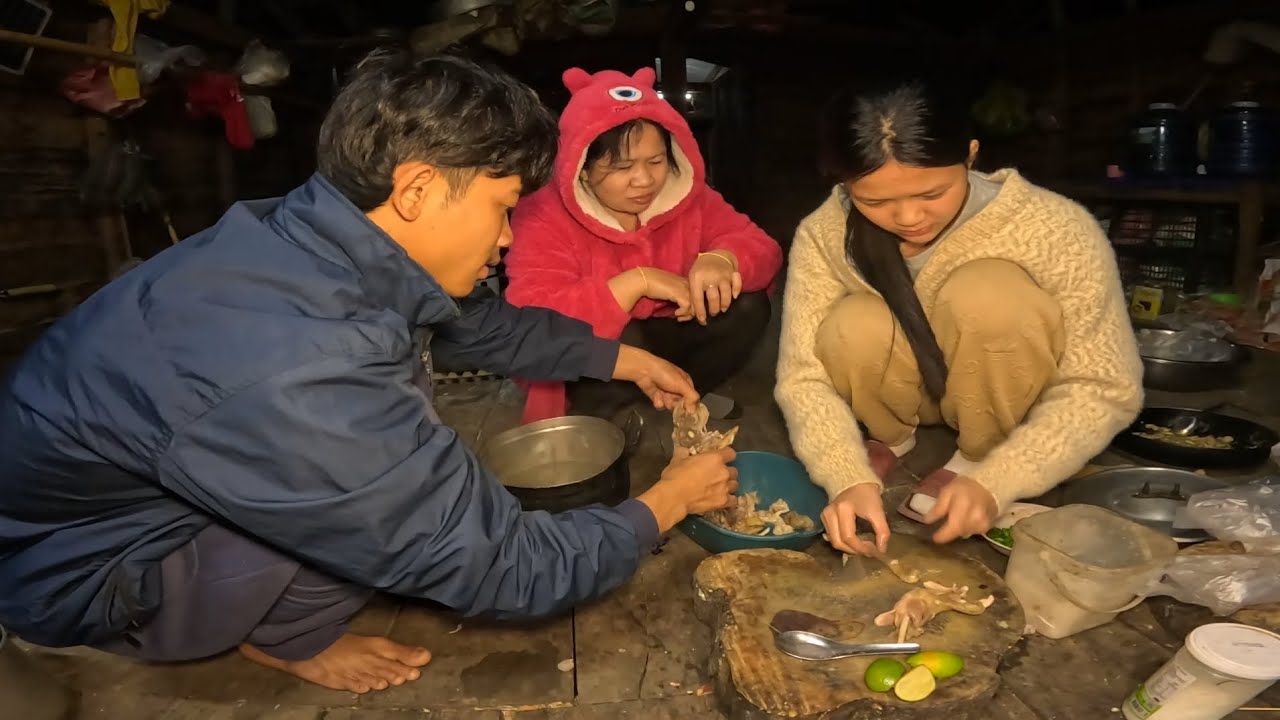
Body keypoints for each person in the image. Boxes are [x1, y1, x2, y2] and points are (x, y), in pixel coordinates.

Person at [0, 51, 741, 695]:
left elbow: (481, 324)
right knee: (387, 506)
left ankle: (261, 606)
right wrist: (666, 503)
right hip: (83, 576)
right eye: (505, 206)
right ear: (418, 189)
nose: (509, 235)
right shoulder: (299, 364)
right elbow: (499, 566)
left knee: (387, 457)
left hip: (128, 499)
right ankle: (281, 636)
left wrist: (624, 356)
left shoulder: (304, 236)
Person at [774, 78, 1143, 557]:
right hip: (905, 388)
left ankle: (978, 452)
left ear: (969, 156)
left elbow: (1105, 384)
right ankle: (892, 436)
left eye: (932, 193)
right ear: (844, 184)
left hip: (1004, 387)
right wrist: (843, 473)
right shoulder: (823, 234)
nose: (908, 218)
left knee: (989, 296)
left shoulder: (1053, 227)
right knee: (853, 322)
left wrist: (999, 478)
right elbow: (803, 376)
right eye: (876, 202)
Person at [504, 67, 783, 424]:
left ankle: (681, 391)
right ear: (581, 167)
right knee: (621, 332)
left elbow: (762, 247)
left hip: (666, 332)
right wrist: (639, 282)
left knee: (748, 306)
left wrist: (722, 258)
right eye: (622, 167)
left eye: (656, 161)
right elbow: (534, 321)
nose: (645, 180)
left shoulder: (687, 197)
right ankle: (609, 414)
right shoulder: (543, 214)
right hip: (599, 357)